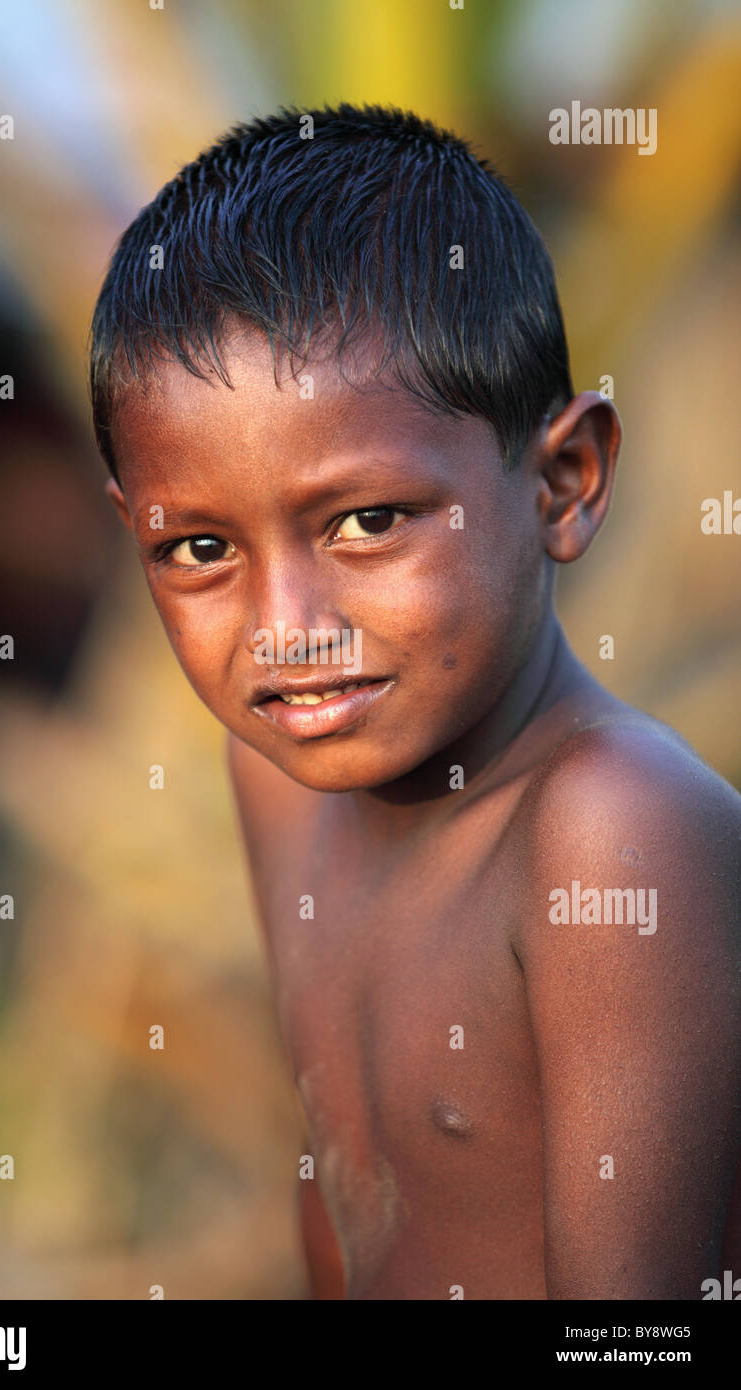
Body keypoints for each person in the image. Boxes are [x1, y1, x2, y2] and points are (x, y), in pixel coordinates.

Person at [90, 104, 741, 1299]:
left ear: (563, 482)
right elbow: (346, 1184)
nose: (285, 630)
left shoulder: (606, 829)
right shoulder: (278, 784)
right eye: (196, 548)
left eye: (367, 520)